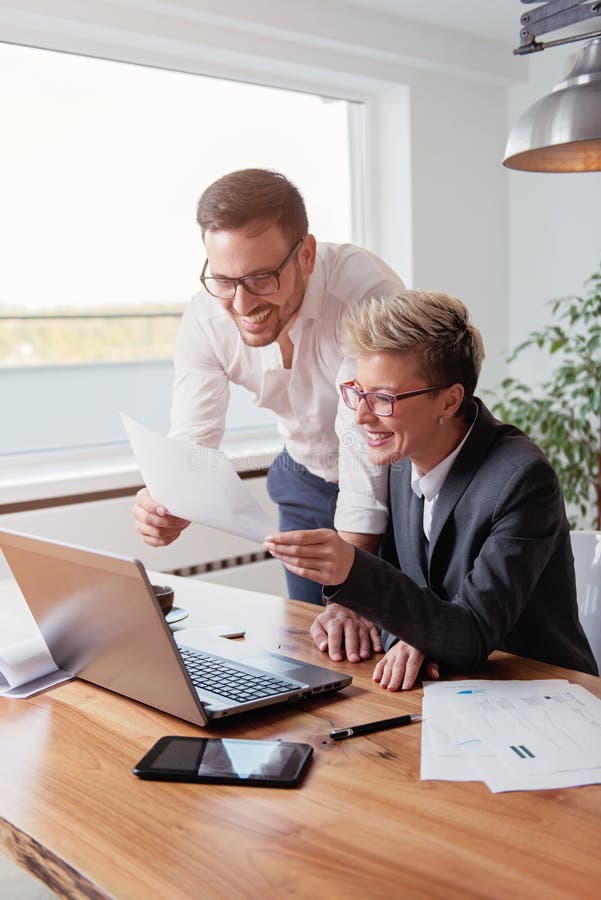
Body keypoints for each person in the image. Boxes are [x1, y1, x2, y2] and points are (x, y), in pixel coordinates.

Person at [264, 289, 598, 689]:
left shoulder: (522, 479)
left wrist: (354, 569)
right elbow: (413, 606)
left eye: (383, 398)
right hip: (454, 690)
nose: (362, 415)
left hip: (544, 694)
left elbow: (470, 635)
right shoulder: (401, 453)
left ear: (450, 401)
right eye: (358, 391)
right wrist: (417, 636)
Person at [132, 168, 403, 609]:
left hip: (392, 477)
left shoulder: (365, 292)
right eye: (223, 279)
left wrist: (352, 587)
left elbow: (362, 432)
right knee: (311, 635)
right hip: (304, 477)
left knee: (393, 640)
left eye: (261, 278)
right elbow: (193, 442)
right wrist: (167, 500)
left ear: (307, 255)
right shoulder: (205, 318)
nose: (242, 304)